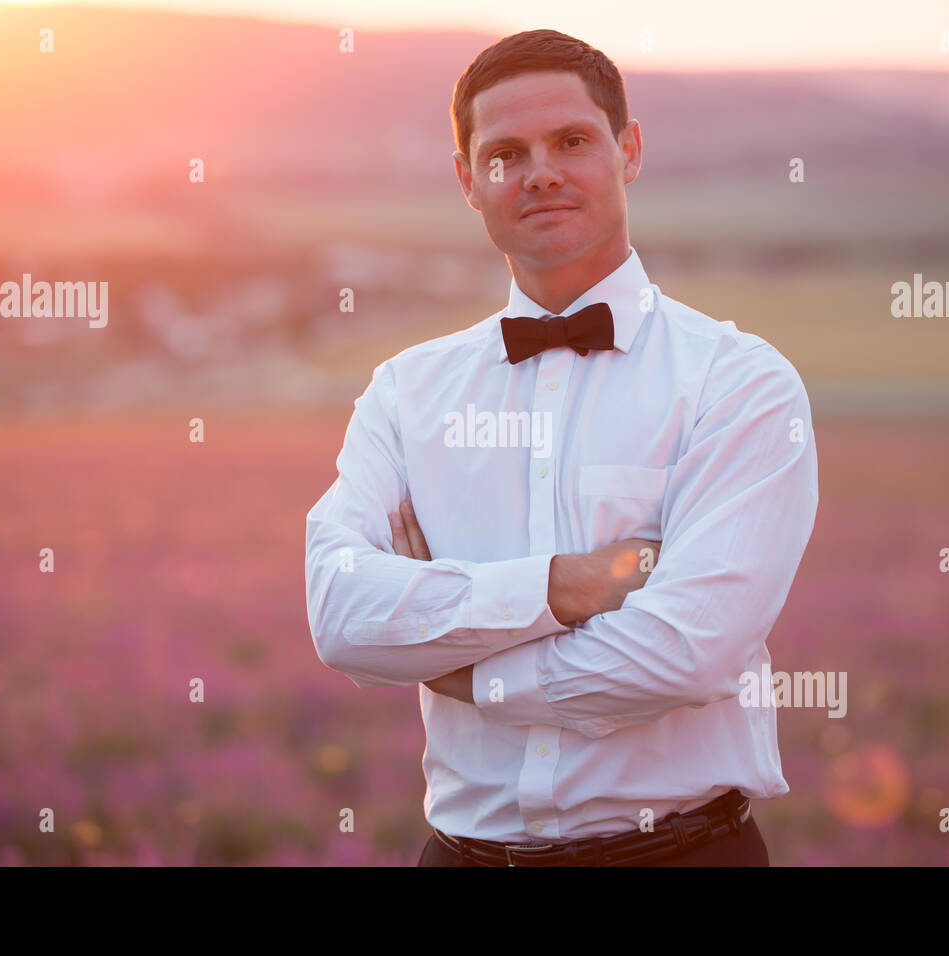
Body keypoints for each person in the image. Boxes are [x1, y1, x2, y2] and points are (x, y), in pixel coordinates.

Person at [304, 28, 818, 866]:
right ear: (468, 181)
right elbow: (341, 611)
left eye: (571, 141)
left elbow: (688, 650)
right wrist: (570, 584)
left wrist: (466, 667)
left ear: (630, 150)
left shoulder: (740, 383)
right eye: (505, 153)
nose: (539, 171)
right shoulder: (406, 392)